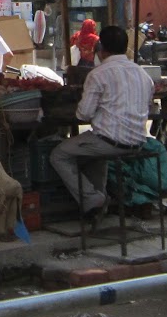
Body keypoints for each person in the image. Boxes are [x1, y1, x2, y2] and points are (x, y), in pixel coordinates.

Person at [50, 25, 154, 223]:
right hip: (139, 140)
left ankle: (93, 199)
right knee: (96, 151)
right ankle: (97, 205)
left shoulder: (99, 74)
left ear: (101, 48)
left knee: (59, 154)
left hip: (110, 141)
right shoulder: (143, 74)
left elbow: (83, 114)